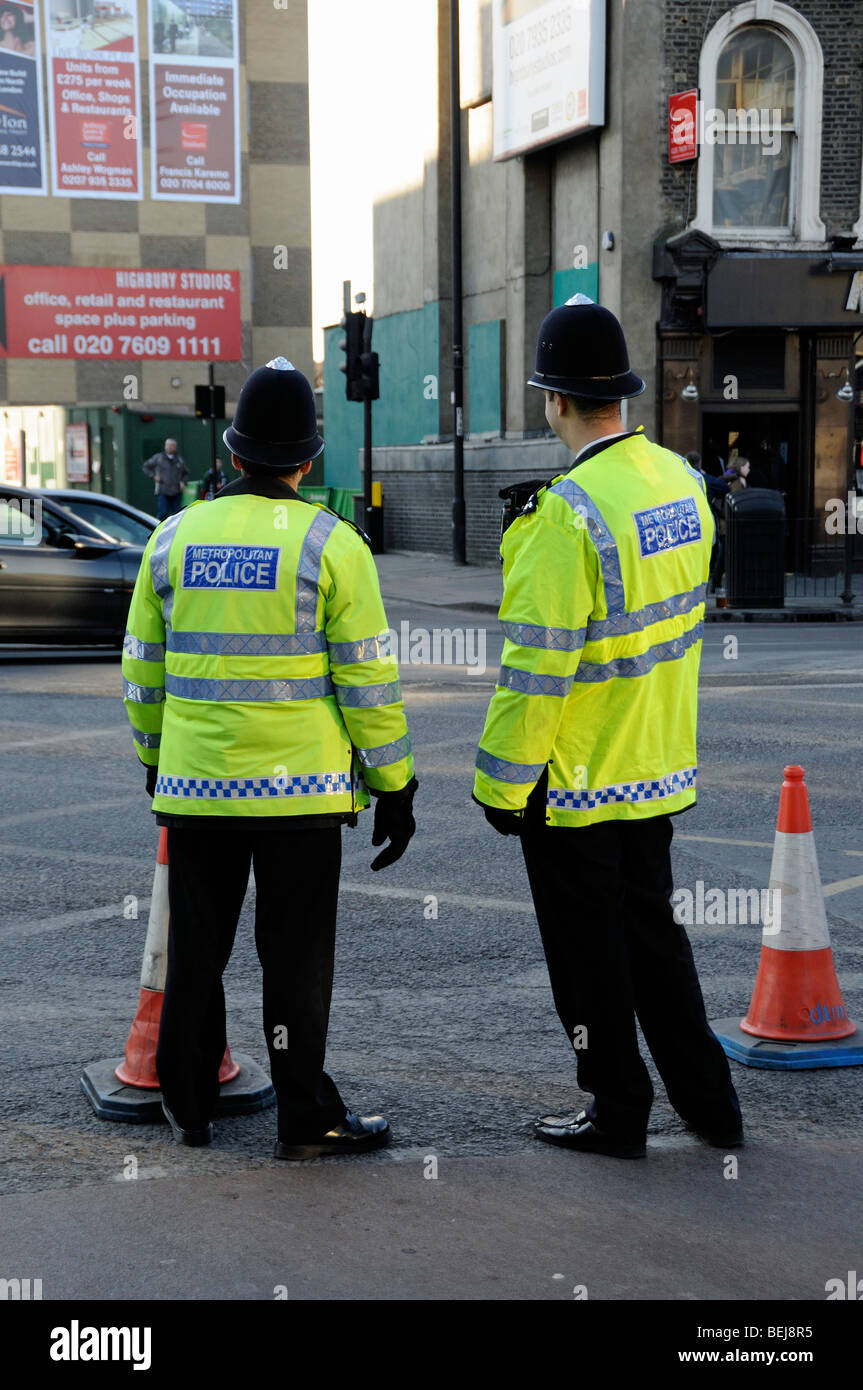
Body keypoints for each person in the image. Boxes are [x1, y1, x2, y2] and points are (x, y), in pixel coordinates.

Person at [122, 357, 417, 1159]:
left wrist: (156, 757)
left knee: (197, 955)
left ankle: (188, 1108)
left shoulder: (172, 536)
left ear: (232, 450)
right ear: (308, 459)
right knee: (293, 965)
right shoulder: (333, 544)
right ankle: (305, 1119)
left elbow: (143, 668)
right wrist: (394, 785)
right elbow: (367, 679)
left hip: (196, 790)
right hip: (301, 797)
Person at [472, 300, 742, 1159]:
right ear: (618, 396)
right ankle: (709, 1104)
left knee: (588, 965)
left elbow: (535, 672)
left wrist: (500, 787)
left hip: (576, 780)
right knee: (656, 945)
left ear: (553, 400)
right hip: (654, 765)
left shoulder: (562, 516)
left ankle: (615, 1109)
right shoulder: (681, 482)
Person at [709, 457, 749, 592]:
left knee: (725, 553)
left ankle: (717, 581)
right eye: (747, 467)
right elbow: (738, 501)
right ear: (741, 467)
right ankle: (725, 583)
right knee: (729, 554)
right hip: (732, 522)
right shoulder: (738, 481)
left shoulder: (727, 477)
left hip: (724, 521)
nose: (749, 470)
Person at [142, 439, 189, 521]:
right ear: (165, 446)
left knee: (177, 514)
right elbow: (146, 467)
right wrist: (153, 476)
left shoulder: (179, 459)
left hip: (176, 491)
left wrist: (183, 482)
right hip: (163, 490)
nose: (171, 447)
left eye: (173, 445)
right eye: (169, 445)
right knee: (163, 513)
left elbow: (186, 473)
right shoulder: (158, 458)